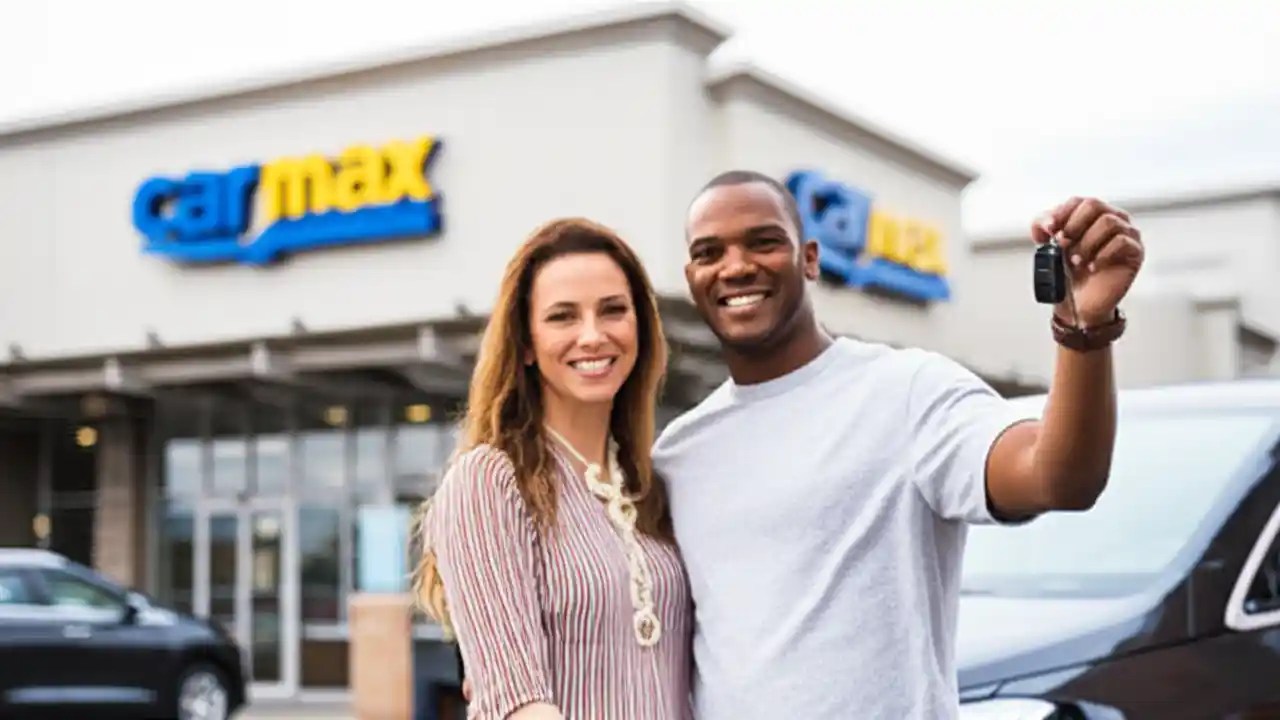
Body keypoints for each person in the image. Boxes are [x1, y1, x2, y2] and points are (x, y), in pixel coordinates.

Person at [649, 170, 1143, 718]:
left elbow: (1059, 476)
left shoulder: (906, 391)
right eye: (709, 252)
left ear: (809, 258)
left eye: (763, 242)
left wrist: (1084, 327)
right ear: (693, 277)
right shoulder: (679, 452)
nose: (736, 266)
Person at [412, 217, 694, 720]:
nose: (592, 335)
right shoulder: (490, 481)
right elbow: (515, 703)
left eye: (613, 311)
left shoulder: (651, 486)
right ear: (525, 343)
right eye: (563, 317)